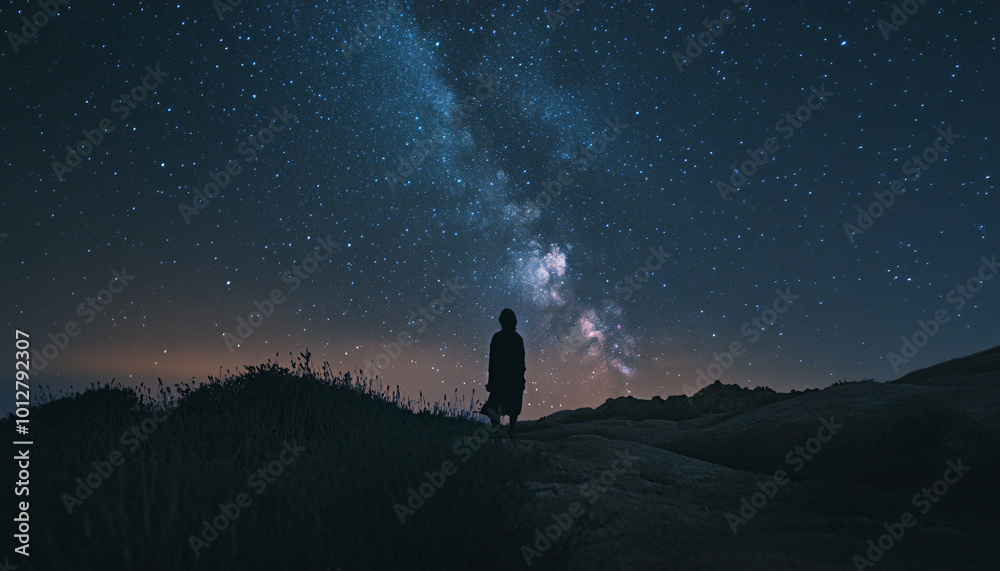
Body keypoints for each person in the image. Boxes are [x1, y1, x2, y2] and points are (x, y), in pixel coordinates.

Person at [481, 308, 526, 436]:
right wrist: (521, 380)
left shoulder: (498, 338)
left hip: (500, 379)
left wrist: (491, 382)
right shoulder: (517, 339)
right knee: (513, 406)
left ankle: (497, 432)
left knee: (496, 406)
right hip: (513, 379)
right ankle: (511, 431)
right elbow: (521, 363)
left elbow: (493, 362)